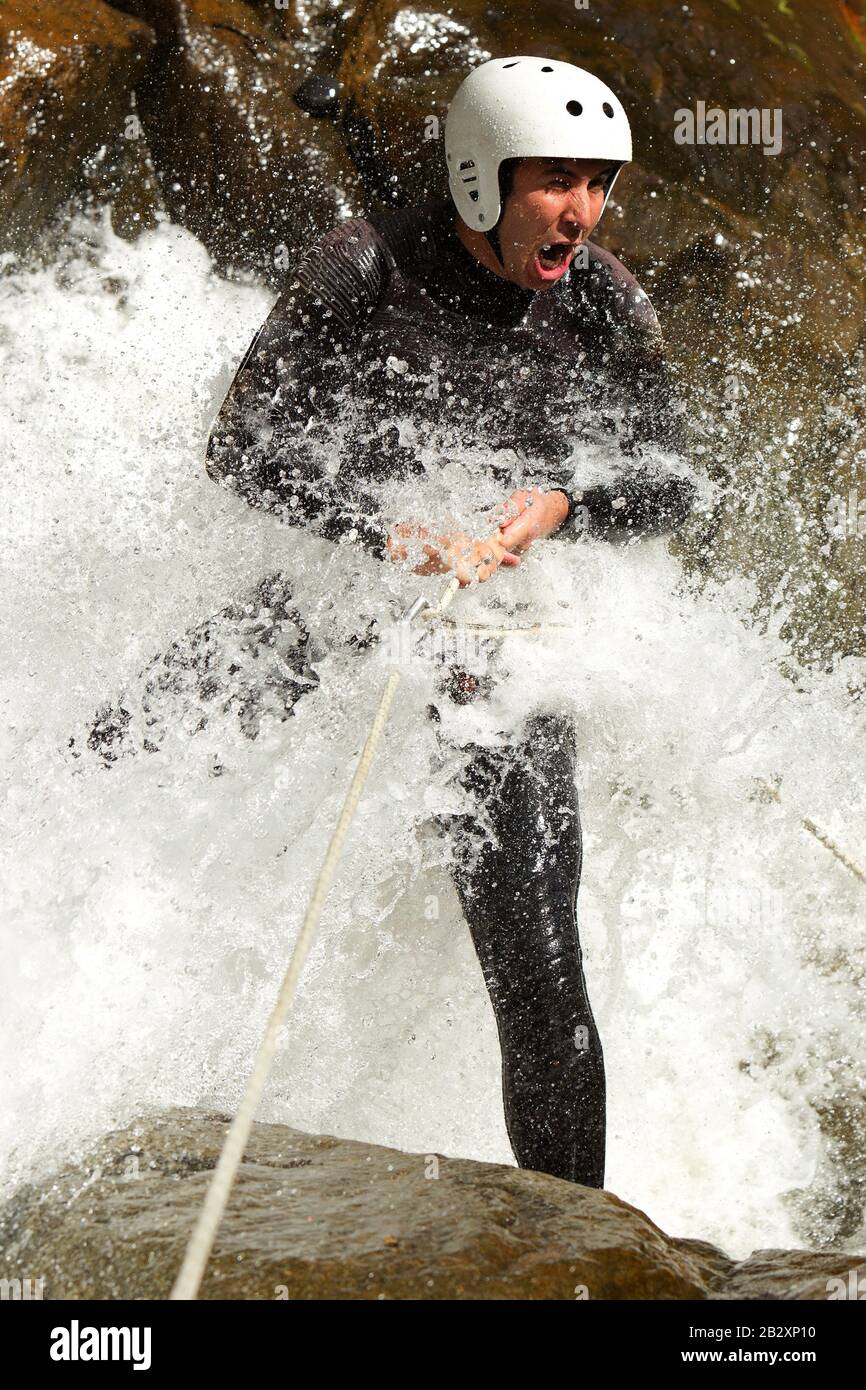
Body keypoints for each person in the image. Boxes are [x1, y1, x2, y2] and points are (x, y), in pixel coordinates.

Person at [202, 56, 696, 1188]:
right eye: (556, 181)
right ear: (483, 176)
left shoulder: (604, 294)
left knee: (538, 945)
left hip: (501, 629)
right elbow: (239, 448)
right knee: (131, 749)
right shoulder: (360, 263)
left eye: (597, 183)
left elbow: (677, 480)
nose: (581, 211)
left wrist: (563, 503)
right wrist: (389, 532)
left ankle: (581, 1240)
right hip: (358, 588)